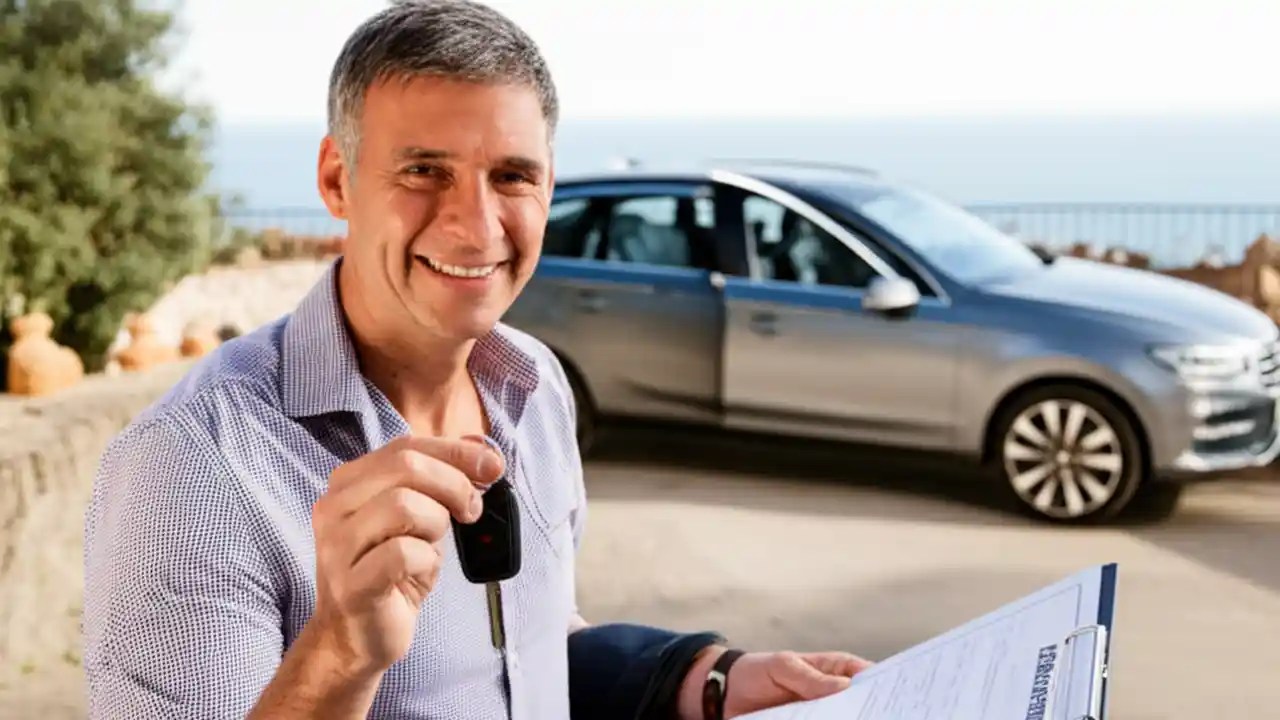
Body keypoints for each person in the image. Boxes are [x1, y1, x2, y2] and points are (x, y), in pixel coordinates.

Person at [80, 1, 871, 718]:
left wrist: (709, 680)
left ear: (547, 188)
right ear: (336, 179)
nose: (475, 225)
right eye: (425, 171)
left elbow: (521, 661)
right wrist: (342, 656)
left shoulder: (536, 384)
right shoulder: (190, 468)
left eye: (512, 177)